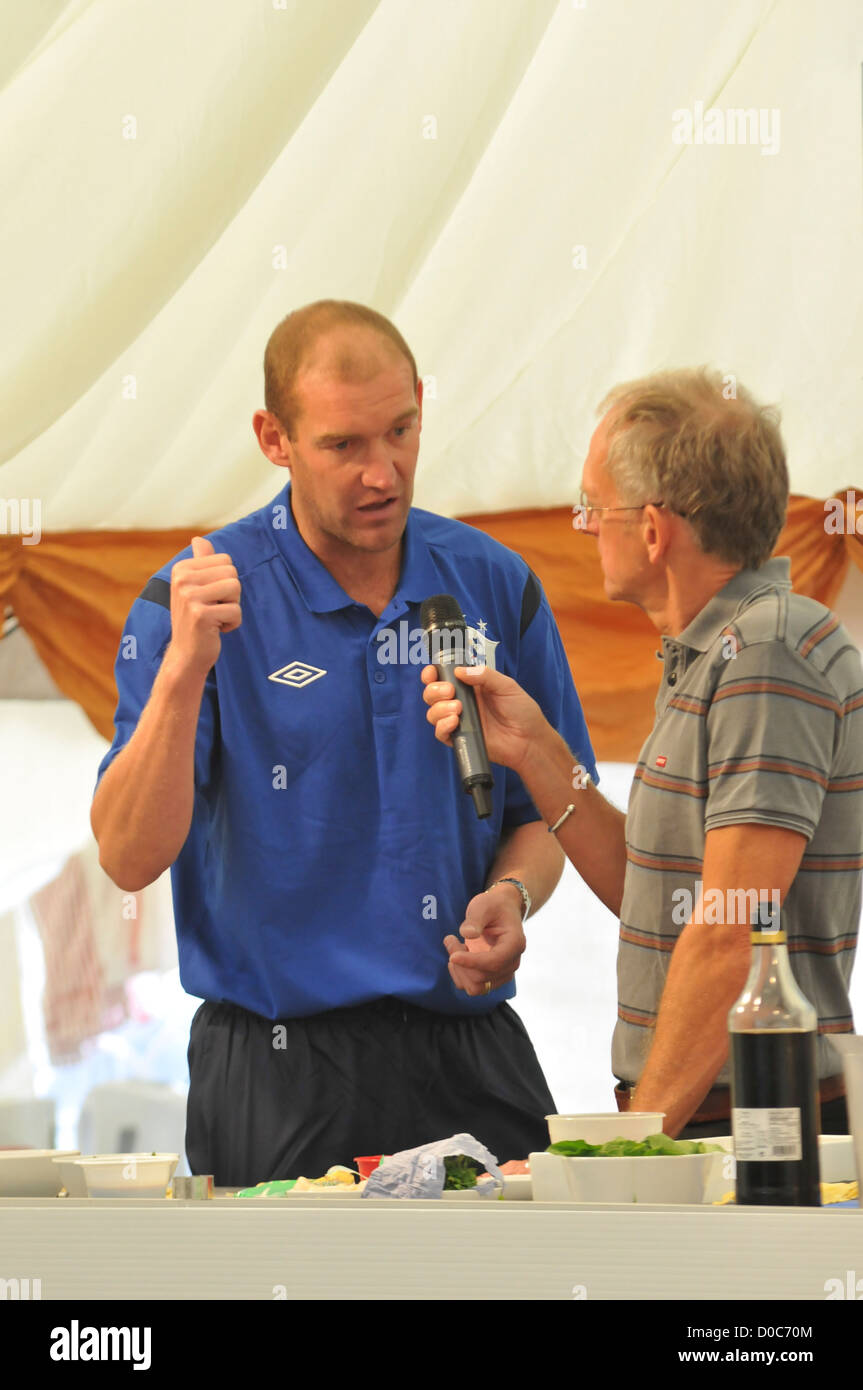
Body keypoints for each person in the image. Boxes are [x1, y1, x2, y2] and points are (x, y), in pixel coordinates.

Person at [90, 299, 598, 1184]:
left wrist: (513, 895)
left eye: (401, 430)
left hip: (470, 1049)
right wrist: (181, 675)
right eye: (343, 445)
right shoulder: (194, 598)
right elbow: (129, 857)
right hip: (278, 1067)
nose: (383, 472)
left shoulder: (492, 580)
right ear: (273, 438)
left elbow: (545, 818)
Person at [423, 368, 863, 1139]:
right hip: (710, 1105)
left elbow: (730, 930)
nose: (584, 525)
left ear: (655, 530)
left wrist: (634, 1149)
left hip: (751, 1114)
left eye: (592, 506)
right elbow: (662, 896)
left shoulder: (765, 652)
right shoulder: (714, 650)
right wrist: (532, 749)